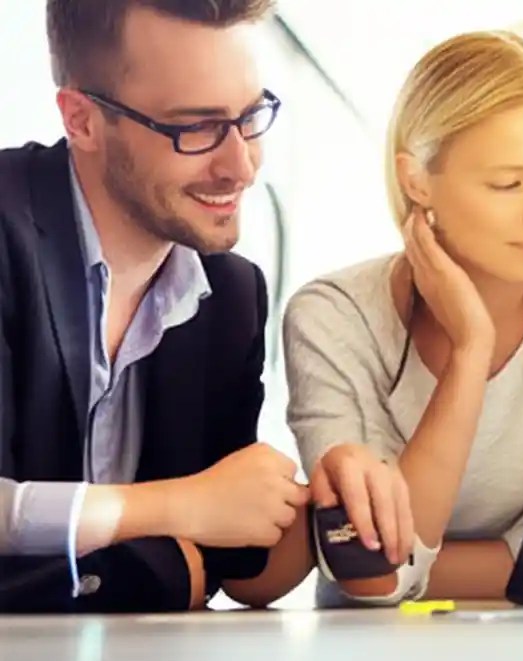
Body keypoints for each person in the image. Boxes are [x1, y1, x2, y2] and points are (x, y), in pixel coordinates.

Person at [282, 30, 523, 606]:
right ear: (416, 181)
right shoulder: (332, 318)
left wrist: (418, 568)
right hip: (370, 647)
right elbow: (374, 573)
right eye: (508, 184)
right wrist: (471, 348)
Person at [0, 0, 314, 612]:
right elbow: (186, 539)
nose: (241, 166)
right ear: (82, 120)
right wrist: (174, 508)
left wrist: (330, 493)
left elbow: (225, 558)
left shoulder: (231, 295)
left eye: (250, 118)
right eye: (195, 128)